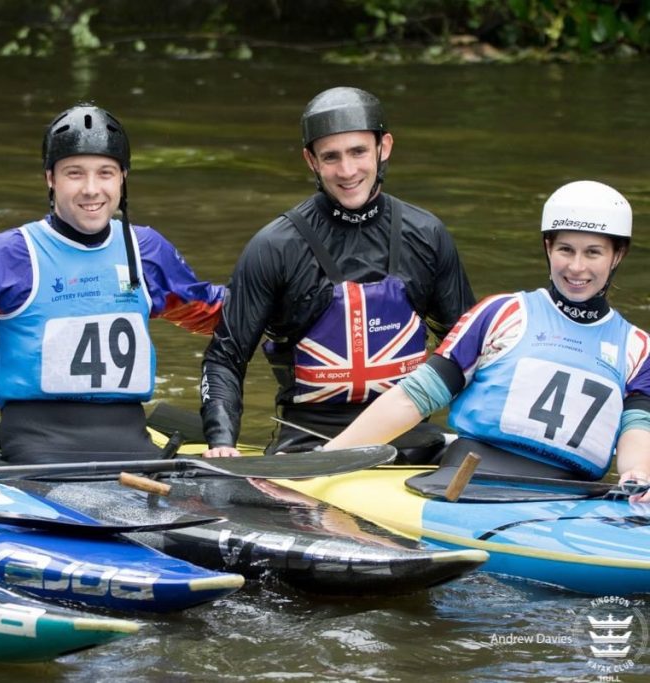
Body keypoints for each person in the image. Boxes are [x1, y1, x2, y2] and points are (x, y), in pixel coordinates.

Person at [0, 104, 225, 464]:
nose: (91, 189)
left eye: (105, 173)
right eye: (74, 173)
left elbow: (221, 315)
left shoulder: (146, 250)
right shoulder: (9, 255)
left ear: (123, 178)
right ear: (50, 179)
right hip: (35, 445)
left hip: (130, 444)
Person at [324, 180, 650, 503]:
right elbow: (415, 398)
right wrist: (329, 457)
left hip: (572, 499)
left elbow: (638, 427)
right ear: (548, 247)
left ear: (617, 255)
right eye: (566, 250)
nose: (577, 267)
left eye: (593, 252)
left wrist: (638, 473)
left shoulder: (637, 348)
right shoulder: (502, 313)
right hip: (467, 479)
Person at [201, 86, 474, 458]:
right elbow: (225, 358)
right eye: (331, 157)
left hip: (411, 441)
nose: (347, 171)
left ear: (384, 147)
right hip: (309, 444)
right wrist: (222, 443)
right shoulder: (275, 247)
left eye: (358, 152)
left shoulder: (427, 235)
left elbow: (468, 349)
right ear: (311, 160)